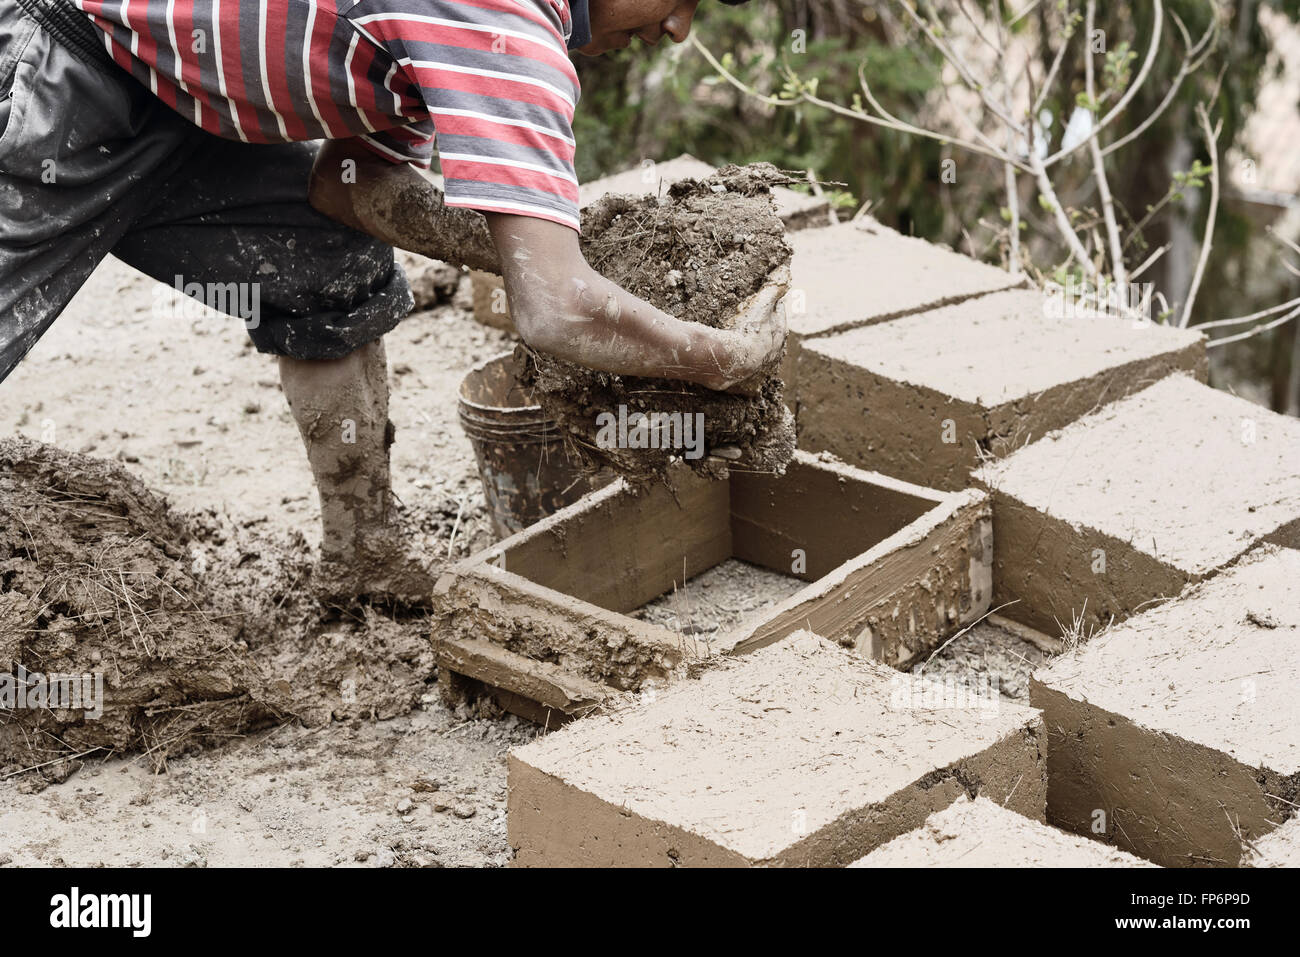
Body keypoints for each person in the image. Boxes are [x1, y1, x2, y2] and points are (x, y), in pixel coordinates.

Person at [0, 0, 784, 602]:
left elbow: (351, 187)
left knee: (325, 264)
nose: (679, 28)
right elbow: (557, 313)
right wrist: (721, 362)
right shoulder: (506, 29)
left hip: (171, 98)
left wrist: (530, 248)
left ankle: (364, 554)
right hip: (56, 61)